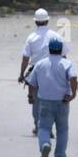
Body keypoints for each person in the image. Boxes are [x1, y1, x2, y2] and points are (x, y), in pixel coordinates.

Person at [26, 37, 77, 157]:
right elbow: (73, 77)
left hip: (44, 101)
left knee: (43, 127)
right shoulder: (66, 63)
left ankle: (45, 144)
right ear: (61, 50)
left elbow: (32, 83)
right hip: (62, 101)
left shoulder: (40, 63)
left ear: (49, 49)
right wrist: (73, 93)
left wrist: (31, 96)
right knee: (62, 130)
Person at [18, 8, 63, 136]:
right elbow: (63, 56)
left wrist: (22, 74)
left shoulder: (31, 37)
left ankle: (39, 125)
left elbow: (26, 58)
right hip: (53, 71)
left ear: (36, 22)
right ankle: (48, 127)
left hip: (35, 72)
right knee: (51, 99)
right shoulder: (56, 36)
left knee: (36, 101)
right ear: (47, 20)